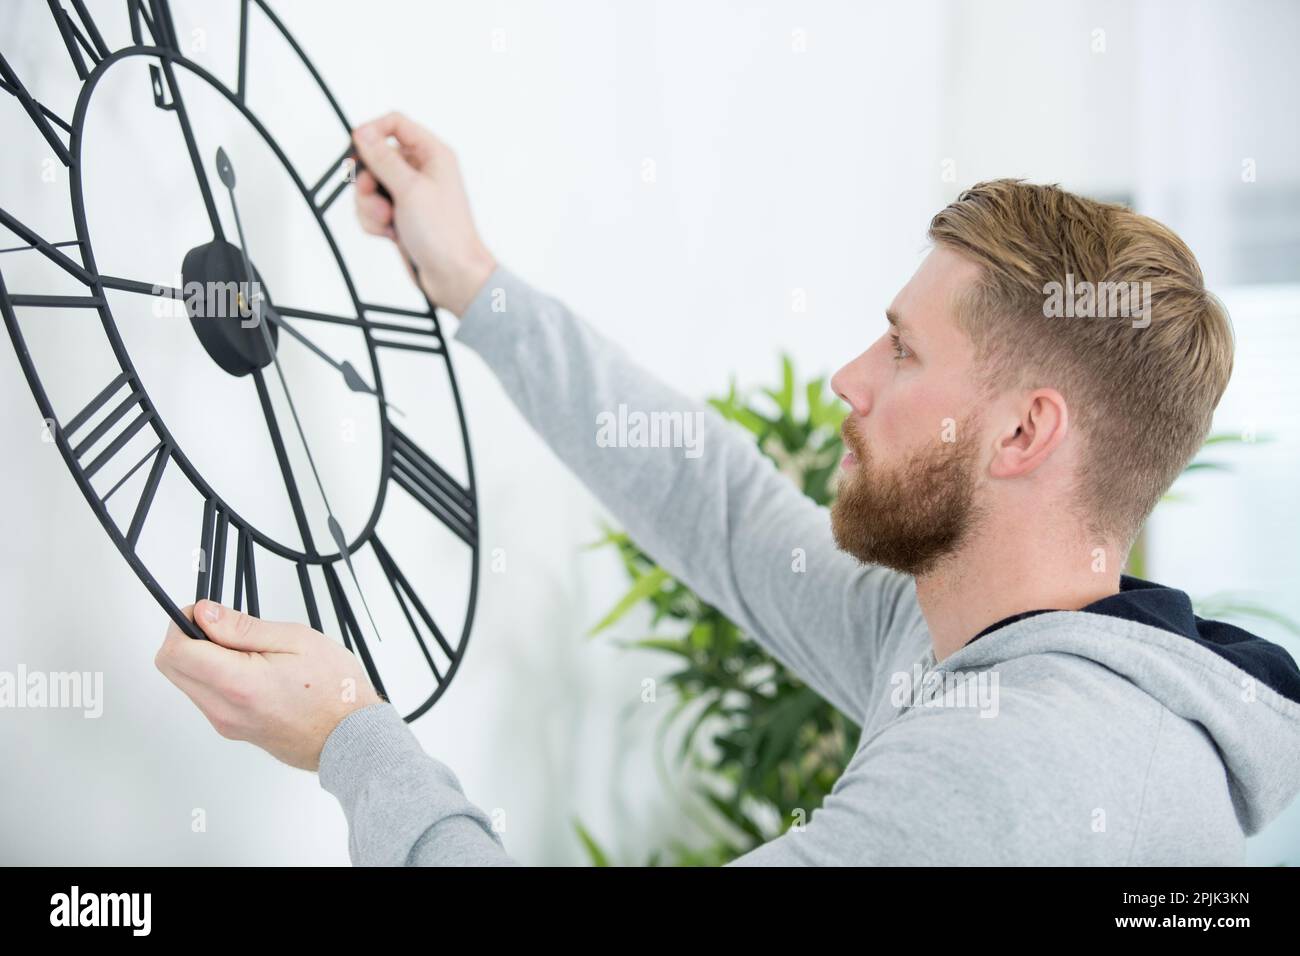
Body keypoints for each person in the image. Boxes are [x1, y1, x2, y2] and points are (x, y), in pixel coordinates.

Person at [155, 112, 1300, 866]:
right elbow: (719, 504)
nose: (847, 379)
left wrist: (351, 736)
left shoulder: (1010, 773)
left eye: (900, 351)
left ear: (1019, 430)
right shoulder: (969, 641)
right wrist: (473, 282)